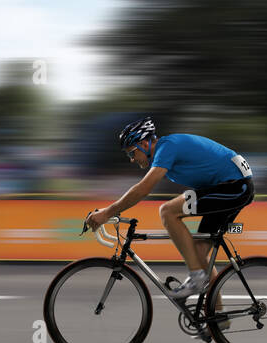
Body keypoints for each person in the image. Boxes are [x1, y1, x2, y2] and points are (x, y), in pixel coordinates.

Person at [87, 117, 254, 300]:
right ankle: (217, 321)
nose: (132, 160)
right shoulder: (167, 149)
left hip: (235, 187)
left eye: (132, 153)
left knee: (168, 211)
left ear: (144, 143)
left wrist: (107, 213)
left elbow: (144, 188)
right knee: (199, 254)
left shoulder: (166, 147)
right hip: (230, 185)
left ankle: (196, 279)